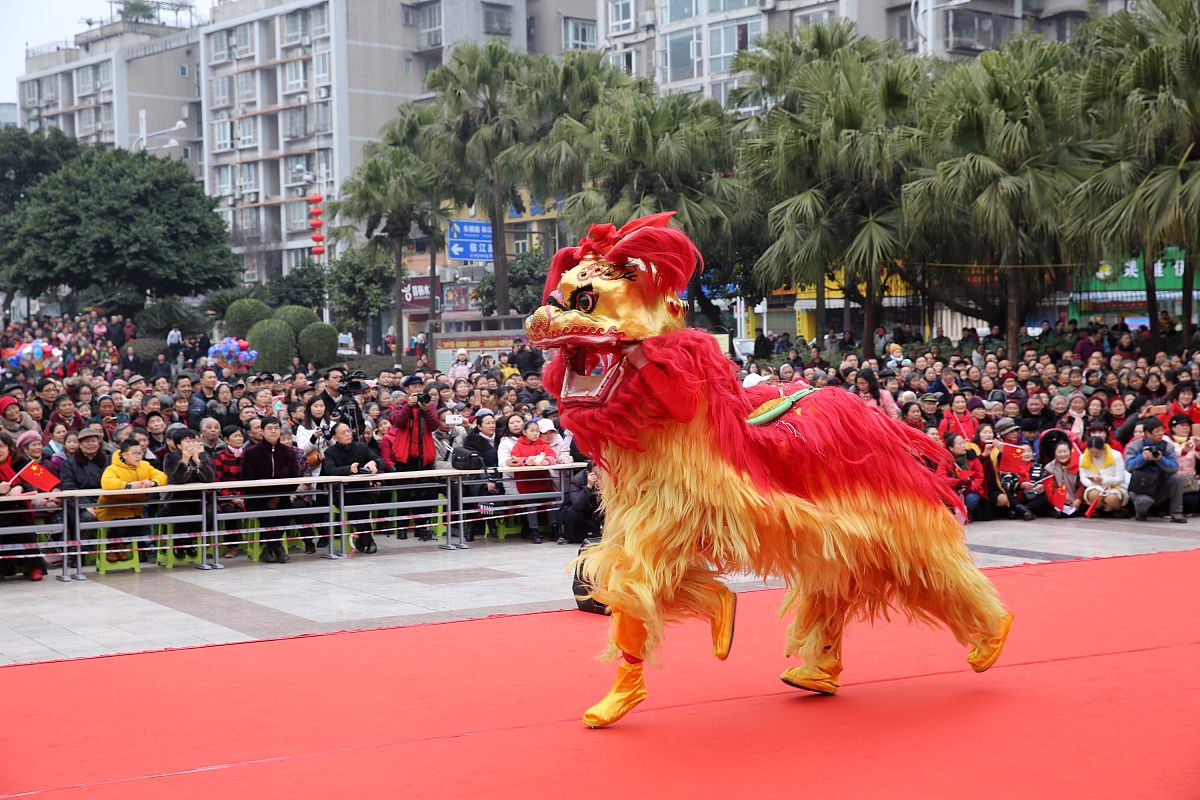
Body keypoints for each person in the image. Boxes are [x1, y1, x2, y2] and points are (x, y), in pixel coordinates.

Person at [240, 417, 309, 561]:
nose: (273, 431)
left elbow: (294, 477)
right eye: (269, 428)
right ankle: (277, 548)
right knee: (267, 516)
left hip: (282, 495)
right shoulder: (251, 452)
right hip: (257, 497)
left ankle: (269, 549)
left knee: (286, 512)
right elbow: (248, 479)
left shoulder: (288, 452)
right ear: (262, 431)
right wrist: (268, 498)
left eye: (276, 428)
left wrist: (277, 497)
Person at [97, 439, 168, 562]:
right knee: (121, 527)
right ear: (124, 455)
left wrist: (152, 482)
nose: (139, 456)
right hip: (112, 511)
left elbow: (162, 476)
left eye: (140, 453)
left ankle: (122, 548)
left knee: (140, 527)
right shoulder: (113, 468)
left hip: (135, 510)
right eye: (134, 453)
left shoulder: (145, 466)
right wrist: (128, 485)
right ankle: (113, 547)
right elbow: (107, 482)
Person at [322, 421, 386, 553]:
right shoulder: (330, 452)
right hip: (341, 491)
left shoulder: (361, 447)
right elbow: (329, 470)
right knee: (355, 507)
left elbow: (381, 460)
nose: (347, 434)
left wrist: (373, 463)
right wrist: (348, 469)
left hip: (361, 489)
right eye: (343, 432)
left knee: (362, 505)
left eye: (348, 431)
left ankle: (363, 540)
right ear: (334, 437)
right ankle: (368, 540)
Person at [162, 428, 216, 558]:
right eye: (187, 441)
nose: (191, 443)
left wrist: (198, 461)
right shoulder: (170, 457)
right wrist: (184, 461)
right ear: (179, 445)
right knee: (183, 516)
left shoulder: (202, 455)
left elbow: (209, 478)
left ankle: (190, 542)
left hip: (197, 498)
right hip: (176, 500)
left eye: (193, 440)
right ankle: (178, 544)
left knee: (210, 512)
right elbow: (177, 480)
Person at [507, 419, 559, 543]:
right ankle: (534, 529)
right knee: (531, 502)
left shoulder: (543, 444)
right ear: (524, 432)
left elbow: (552, 456)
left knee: (551, 500)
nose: (535, 434)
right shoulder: (518, 445)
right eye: (532, 431)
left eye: (537, 431)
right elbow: (515, 459)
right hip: (526, 482)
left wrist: (547, 460)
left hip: (542, 480)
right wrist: (525, 461)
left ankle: (554, 528)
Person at [1124, 418, 1186, 523]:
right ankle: (1141, 513)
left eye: (1162, 430)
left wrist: (1160, 459)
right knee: (1144, 501)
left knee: (1176, 479)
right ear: (1147, 433)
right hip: (1141, 484)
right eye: (1157, 431)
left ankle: (1176, 512)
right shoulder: (1135, 446)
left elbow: (1174, 467)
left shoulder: (1167, 447)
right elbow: (1128, 466)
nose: (1161, 433)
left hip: (1160, 483)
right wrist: (1142, 458)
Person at [1078, 435, 1129, 516]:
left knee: (1112, 499)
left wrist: (1104, 480)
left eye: (1097, 452)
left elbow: (1120, 478)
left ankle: (1117, 509)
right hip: (1095, 485)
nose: (1094, 455)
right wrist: (1096, 483)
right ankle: (1098, 509)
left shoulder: (1116, 455)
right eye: (1091, 452)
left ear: (1103, 449)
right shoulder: (1083, 457)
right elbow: (1083, 478)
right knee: (1094, 494)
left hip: (1115, 486)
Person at [562, 460, 604, 544]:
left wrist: (602, 489)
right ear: (588, 473)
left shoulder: (605, 480)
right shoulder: (578, 480)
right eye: (596, 474)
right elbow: (577, 505)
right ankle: (568, 536)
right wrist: (588, 487)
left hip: (594, 513)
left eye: (601, 473)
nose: (599, 476)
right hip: (579, 513)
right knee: (573, 512)